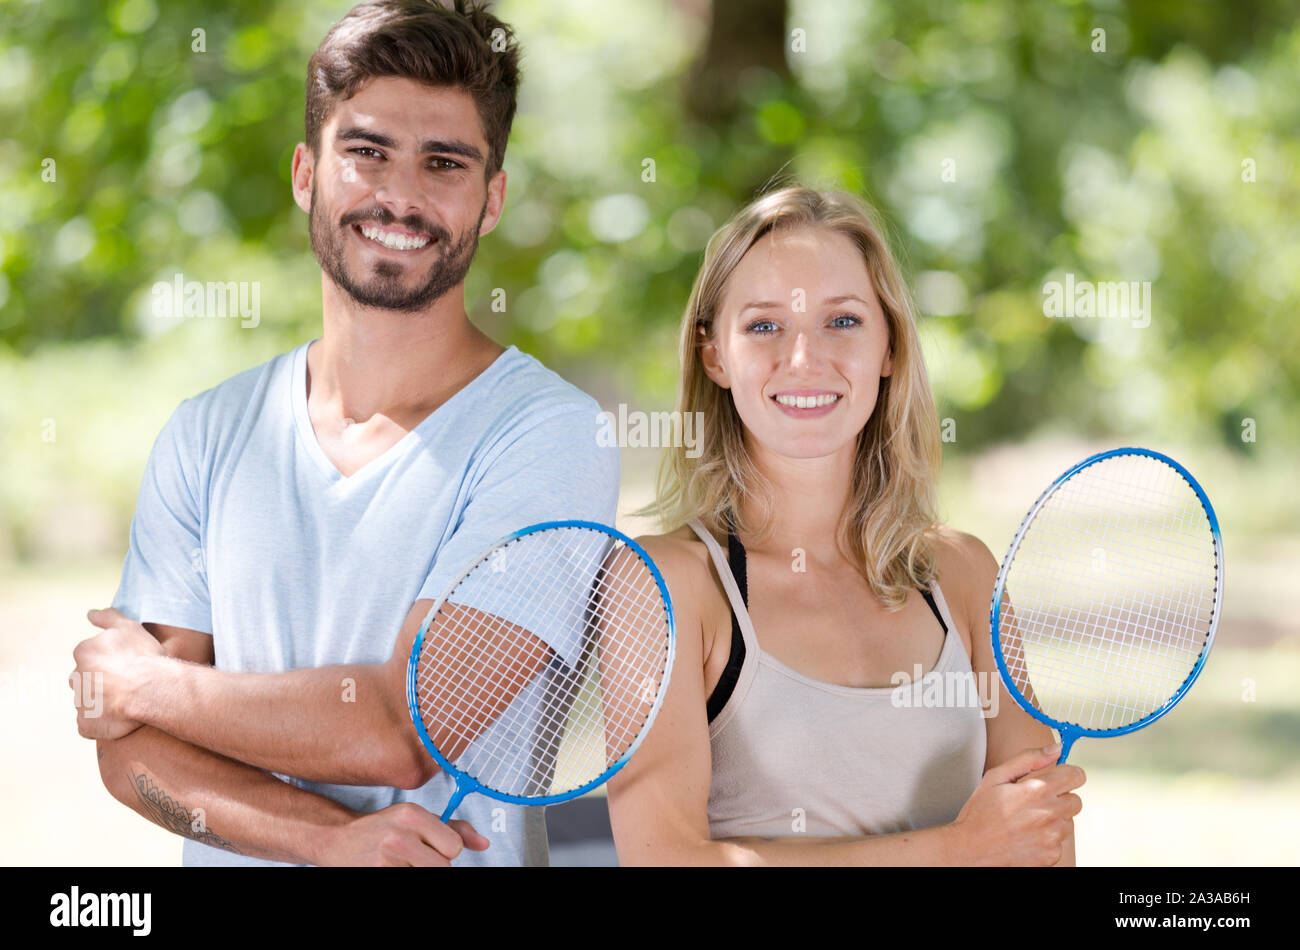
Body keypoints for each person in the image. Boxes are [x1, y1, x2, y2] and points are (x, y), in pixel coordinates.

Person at [73, 0, 619, 867]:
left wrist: (153, 683)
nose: (400, 196)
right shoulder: (207, 432)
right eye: (366, 152)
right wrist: (334, 842)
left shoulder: (548, 436)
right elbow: (132, 751)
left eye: (445, 163)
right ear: (305, 172)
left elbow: (405, 728)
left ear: (492, 200)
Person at [606, 185, 1085, 865]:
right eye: (765, 325)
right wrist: (954, 850)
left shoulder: (964, 576)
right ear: (714, 355)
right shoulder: (663, 586)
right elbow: (665, 861)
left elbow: (1042, 850)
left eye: (844, 321)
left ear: (890, 347)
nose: (804, 359)